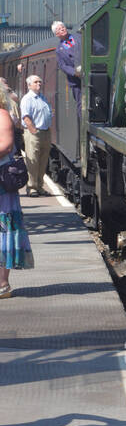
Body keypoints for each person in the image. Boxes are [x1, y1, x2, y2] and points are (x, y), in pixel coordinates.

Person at [0, 94, 34, 295]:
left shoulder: (2, 115)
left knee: (3, 230)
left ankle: (2, 284)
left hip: (1, 181)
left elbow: (5, 145)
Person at [20, 74, 52, 196]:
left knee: (43, 161)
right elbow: (26, 117)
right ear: (29, 85)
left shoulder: (42, 97)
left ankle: (39, 186)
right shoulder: (27, 99)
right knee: (33, 161)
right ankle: (32, 187)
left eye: (40, 82)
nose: (39, 84)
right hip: (34, 133)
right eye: (36, 82)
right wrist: (33, 131)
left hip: (45, 132)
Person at [52, 20, 82, 115]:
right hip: (76, 81)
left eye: (63, 27)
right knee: (81, 104)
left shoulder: (79, 37)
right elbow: (63, 66)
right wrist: (75, 72)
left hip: (89, 73)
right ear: (56, 34)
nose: (62, 29)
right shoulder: (59, 50)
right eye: (59, 29)